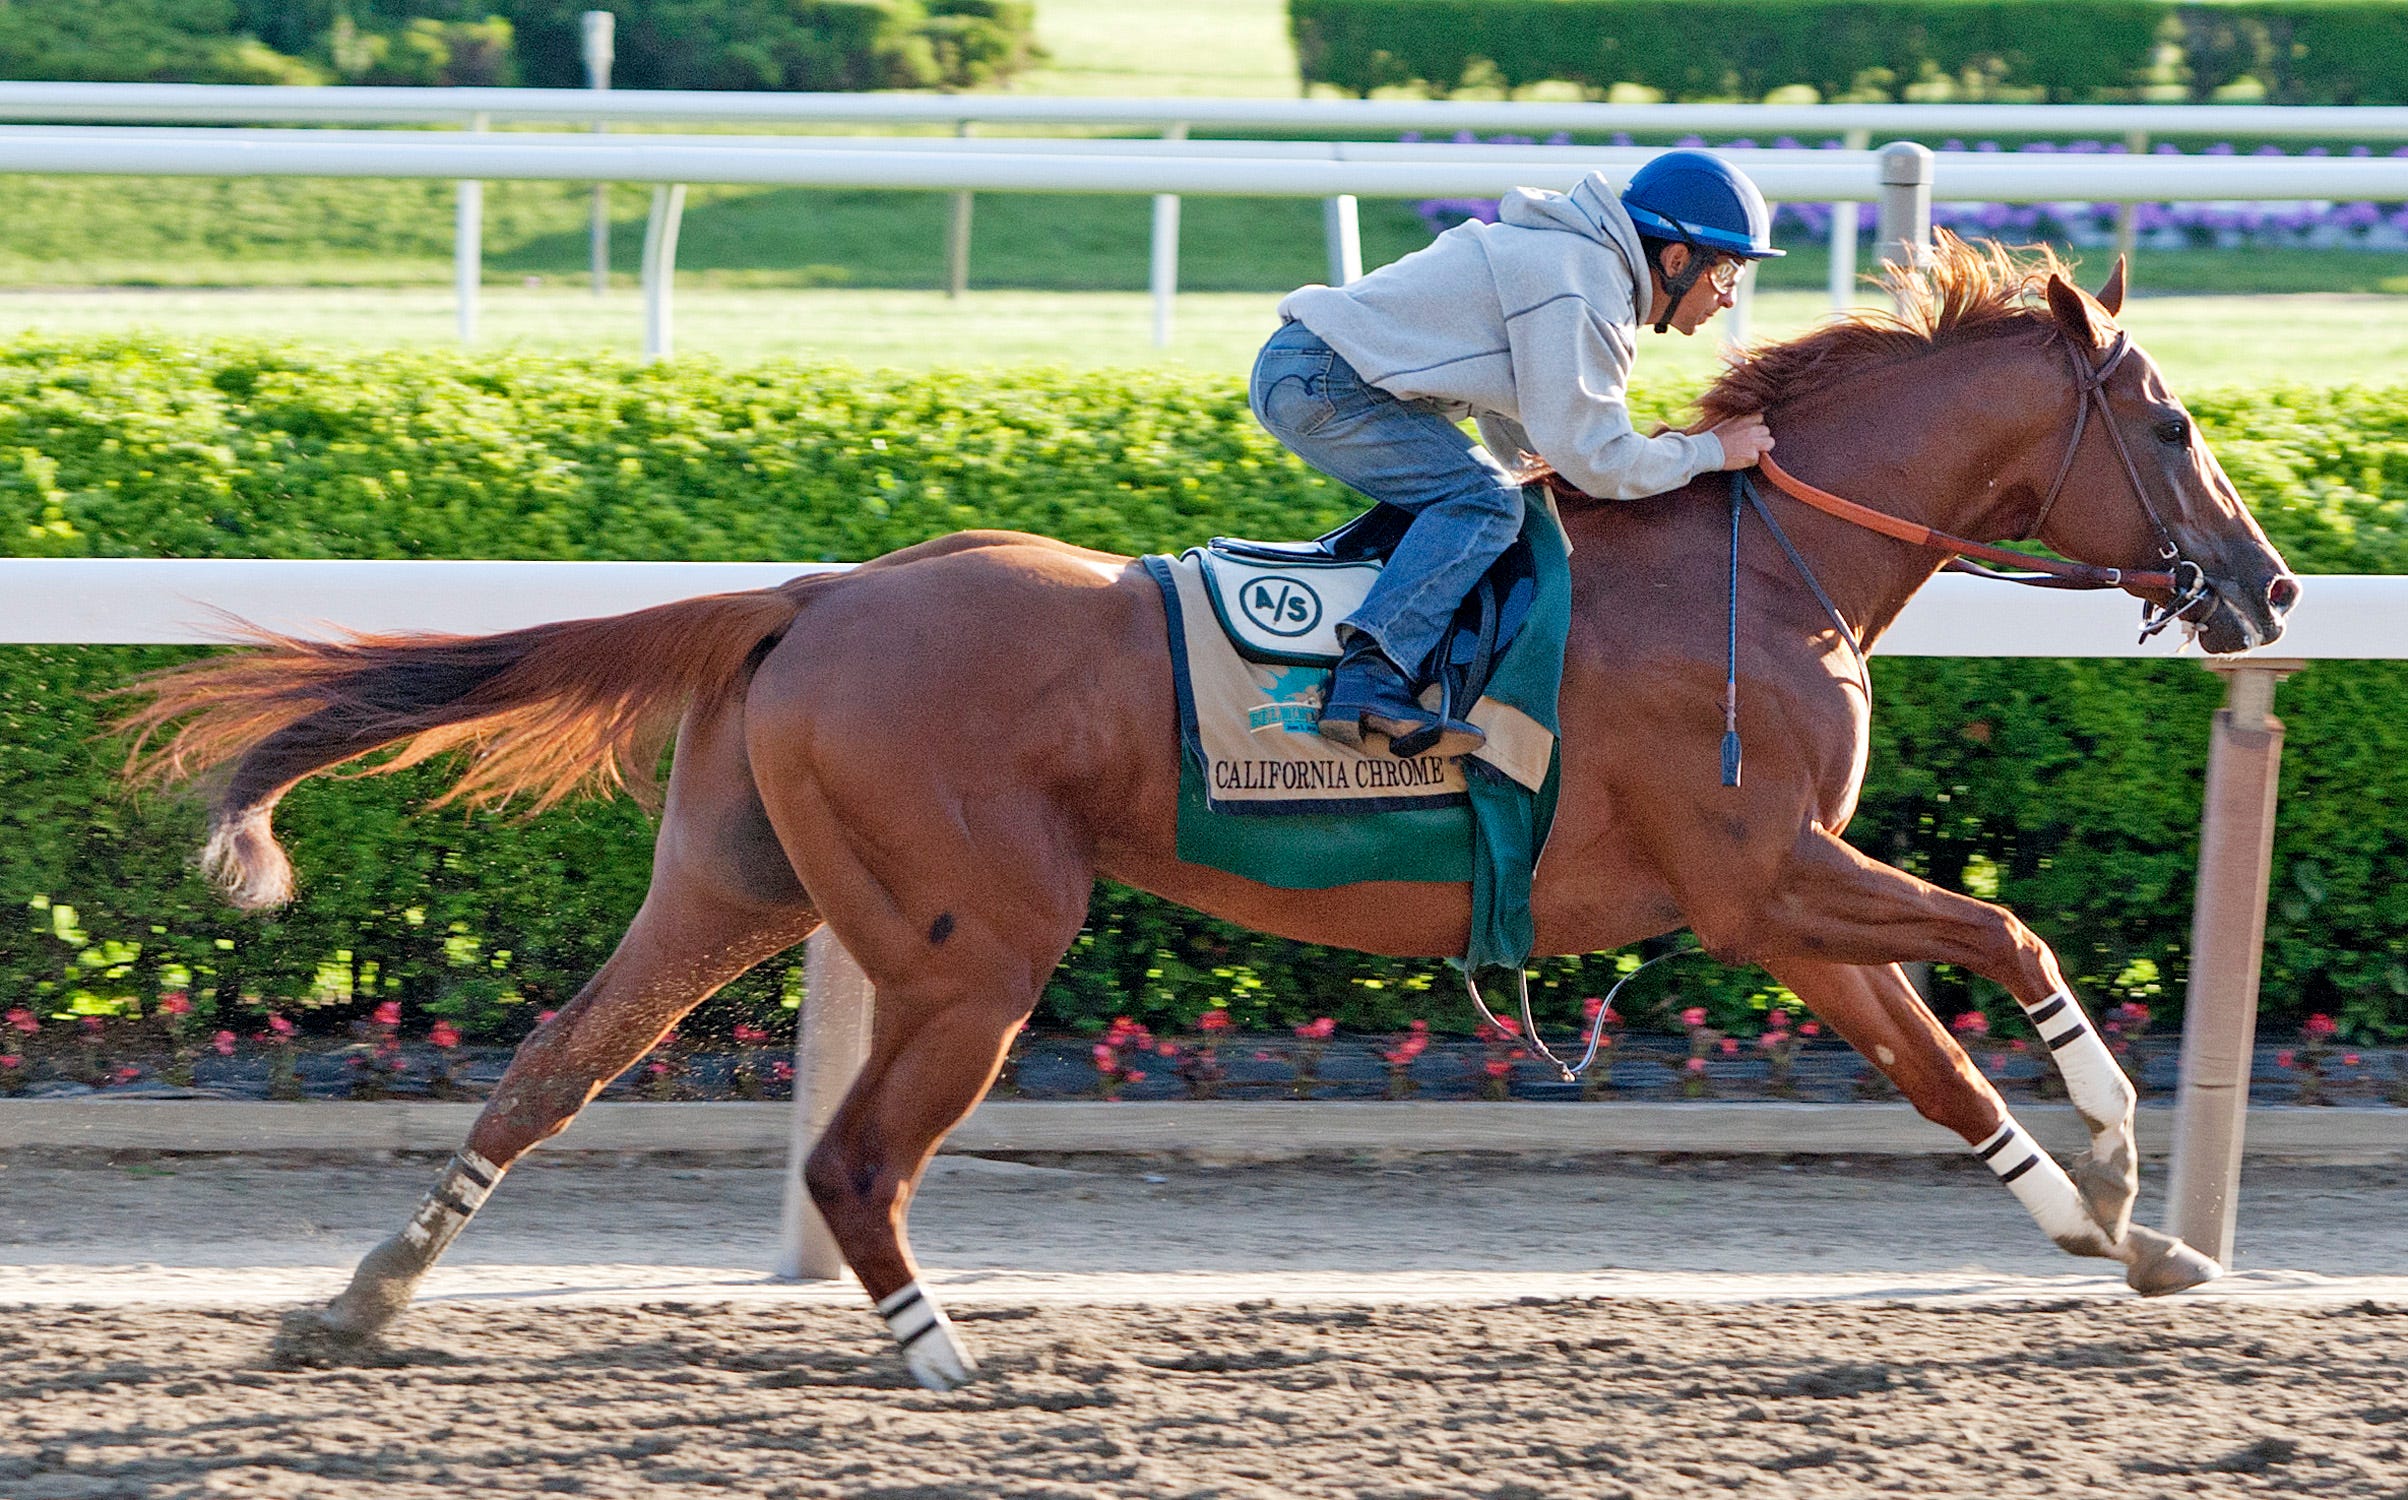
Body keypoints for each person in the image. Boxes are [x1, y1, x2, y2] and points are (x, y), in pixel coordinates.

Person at [1251, 149, 1783, 758]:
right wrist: (1709, 450)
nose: (1729, 298)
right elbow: (1598, 459)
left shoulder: (1579, 262)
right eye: (1727, 274)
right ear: (1678, 260)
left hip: (1312, 371)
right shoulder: (1586, 285)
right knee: (1485, 504)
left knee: (1497, 501)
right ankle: (1370, 679)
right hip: (1324, 381)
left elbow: (1527, 427)